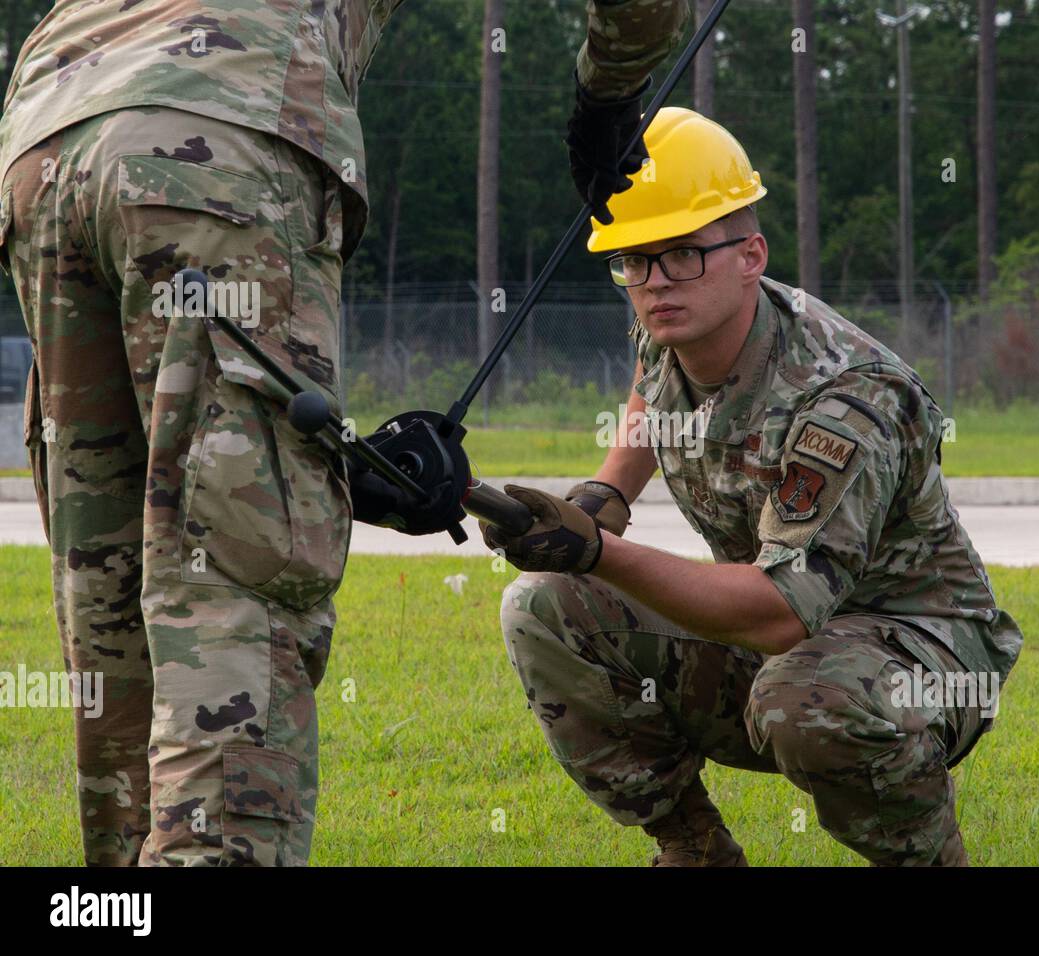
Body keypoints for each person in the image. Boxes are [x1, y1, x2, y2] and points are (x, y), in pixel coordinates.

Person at [0, 0, 690, 866]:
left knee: (108, 581)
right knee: (238, 584)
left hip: (47, 131)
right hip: (221, 120)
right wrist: (607, 105)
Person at [482, 107, 1025, 867]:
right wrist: (606, 494)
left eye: (682, 255)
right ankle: (694, 850)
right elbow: (650, 387)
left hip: (921, 647)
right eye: (633, 261)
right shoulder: (676, 317)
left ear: (751, 255)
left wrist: (596, 550)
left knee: (804, 699)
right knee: (542, 606)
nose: (655, 281)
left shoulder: (845, 399)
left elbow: (778, 617)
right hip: (788, 628)